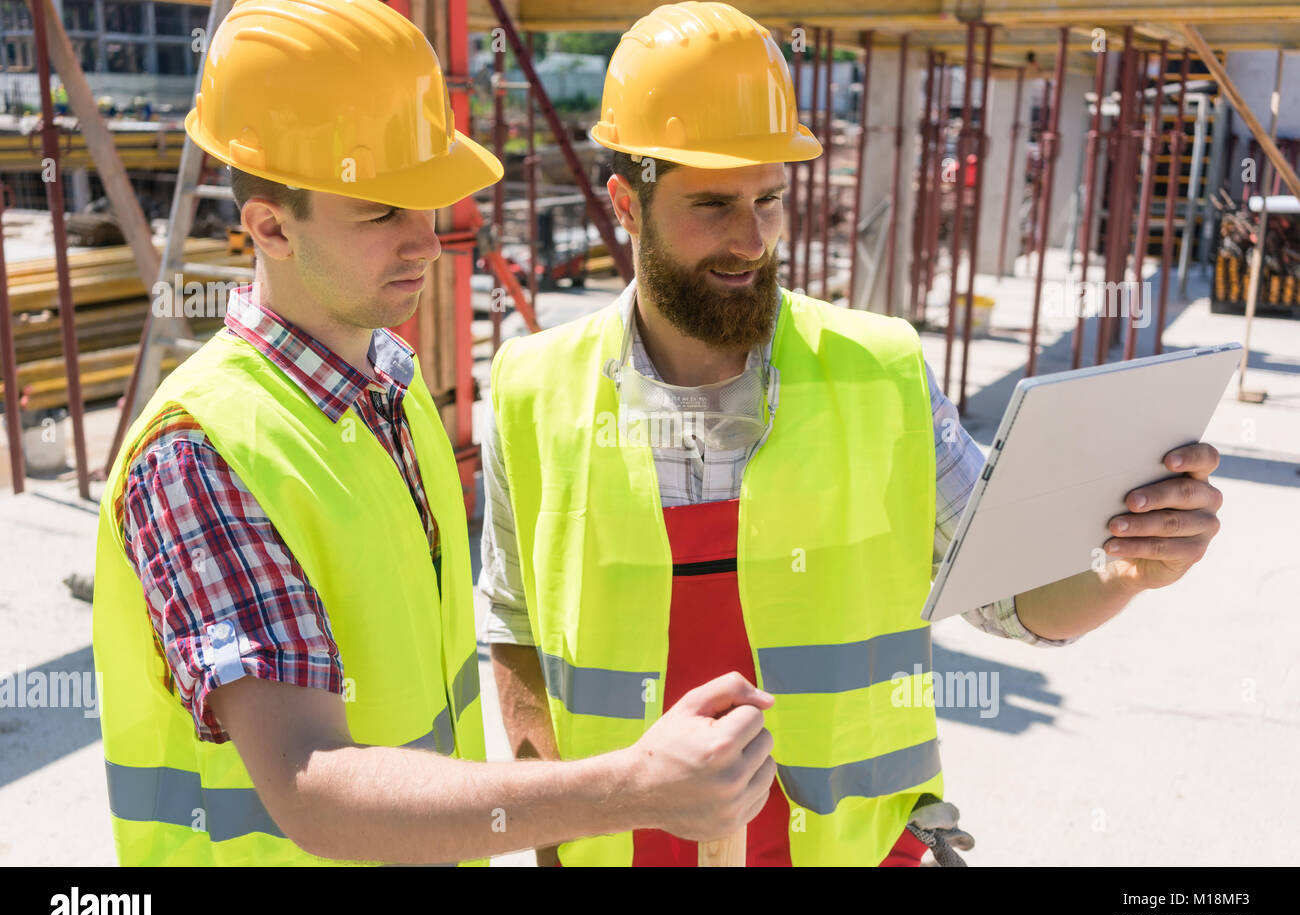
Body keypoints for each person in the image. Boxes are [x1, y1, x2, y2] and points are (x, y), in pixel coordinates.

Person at [480, 1, 1225, 866]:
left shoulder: (881, 371)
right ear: (625, 203)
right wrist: (548, 829)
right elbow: (513, 623)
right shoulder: (532, 389)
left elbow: (1006, 595)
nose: (750, 240)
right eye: (713, 203)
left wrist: (1124, 573)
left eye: (769, 199)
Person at [91, 0, 776, 867]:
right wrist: (637, 784)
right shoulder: (197, 452)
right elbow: (313, 783)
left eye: (427, 201)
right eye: (380, 213)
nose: (426, 238)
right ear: (269, 225)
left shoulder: (393, 384)